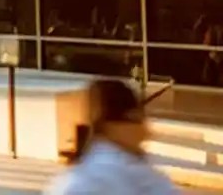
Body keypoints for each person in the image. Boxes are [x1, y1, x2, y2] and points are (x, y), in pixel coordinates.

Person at [45, 79, 179, 194]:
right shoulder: (88, 183)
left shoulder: (74, 180)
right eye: (137, 119)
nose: (147, 131)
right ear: (111, 125)